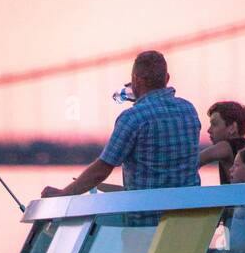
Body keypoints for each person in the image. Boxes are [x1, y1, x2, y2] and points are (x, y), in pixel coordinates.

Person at [41, 51, 200, 197]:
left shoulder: (133, 118)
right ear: (167, 78)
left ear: (136, 80)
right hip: (186, 221)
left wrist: (63, 194)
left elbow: (101, 170)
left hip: (146, 221)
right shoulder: (189, 110)